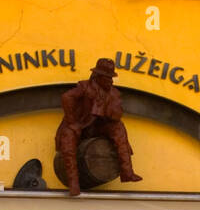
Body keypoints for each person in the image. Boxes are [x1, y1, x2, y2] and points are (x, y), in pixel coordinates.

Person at [54, 58, 142, 196]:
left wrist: (109, 110)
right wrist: (72, 122)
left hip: (99, 128)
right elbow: (66, 97)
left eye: (111, 78)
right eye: (107, 78)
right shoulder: (85, 87)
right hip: (81, 125)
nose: (111, 81)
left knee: (118, 127)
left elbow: (118, 114)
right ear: (98, 77)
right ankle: (74, 183)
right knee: (67, 139)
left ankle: (127, 172)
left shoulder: (114, 93)